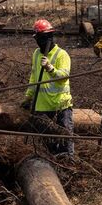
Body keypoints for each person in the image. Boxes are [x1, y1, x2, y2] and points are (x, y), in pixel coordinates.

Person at [22, 18, 74, 156]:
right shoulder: (36, 54)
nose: (41, 41)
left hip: (61, 105)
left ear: (50, 37)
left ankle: (68, 165)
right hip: (43, 107)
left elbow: (63, 78)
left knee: (65, 139)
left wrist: (50, 68)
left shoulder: (62, 55)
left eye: (43, 37)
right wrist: (28, 97)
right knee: (48, 143)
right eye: (38, 38)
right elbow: (34, 77)